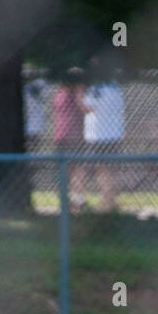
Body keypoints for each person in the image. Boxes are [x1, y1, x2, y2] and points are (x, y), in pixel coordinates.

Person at [84, 57, 126, 211]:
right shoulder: (115, 87)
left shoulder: (96, 88)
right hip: (115, 134)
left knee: (103, 170)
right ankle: (112, 201)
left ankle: (108, 203)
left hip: (100, 135)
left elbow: (88, 108)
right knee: (113, 169)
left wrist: (78, 96)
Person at [54, 68, 92, 210]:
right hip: (74, 136)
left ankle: (67, 200)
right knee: (79, 169)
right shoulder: (77, 92)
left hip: (61, 135)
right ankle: (79, 201)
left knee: (68, 170)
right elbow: (85, 109)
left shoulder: (60, 93)